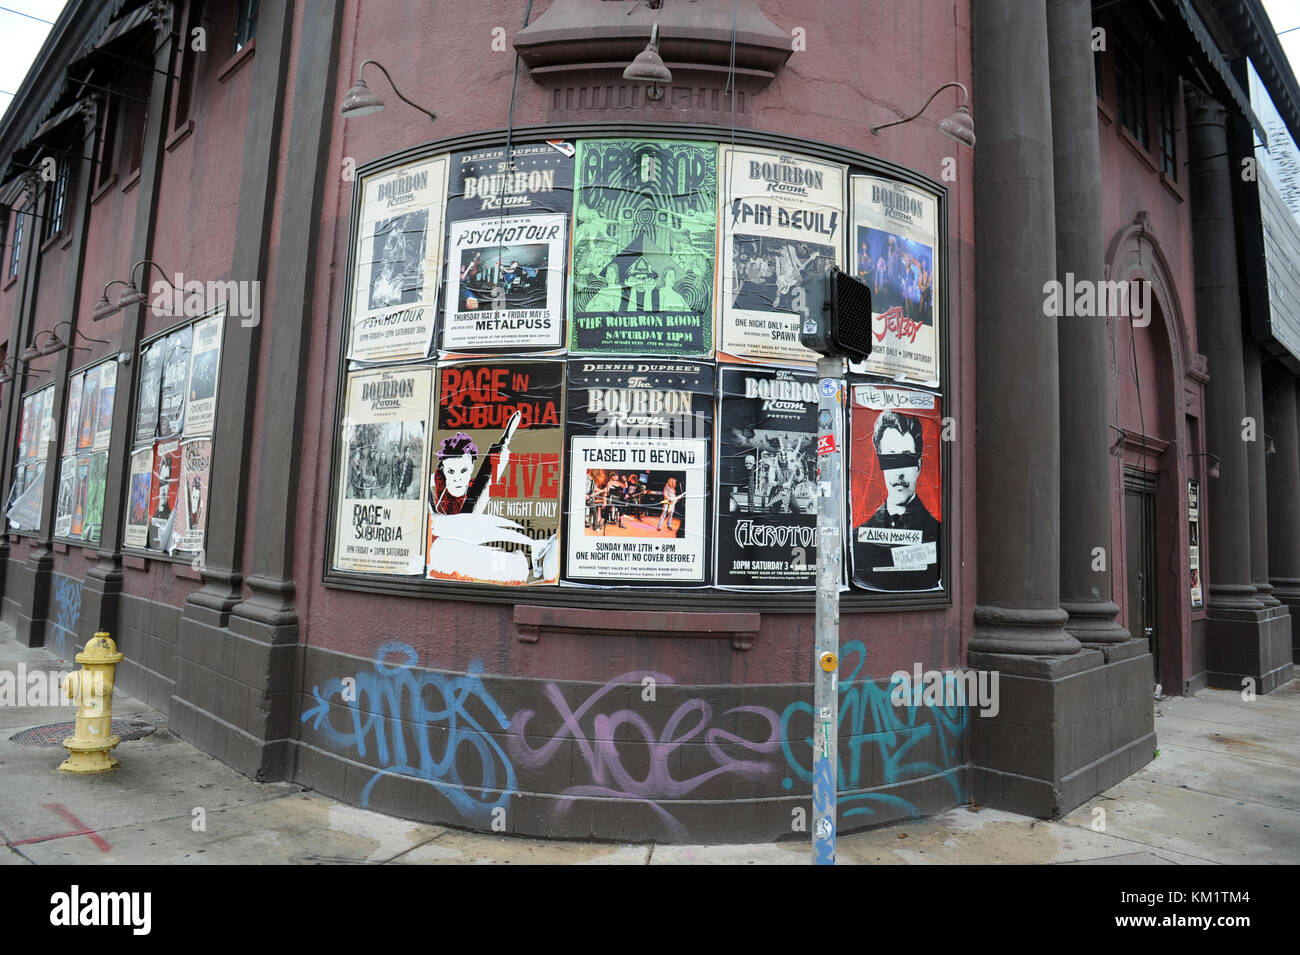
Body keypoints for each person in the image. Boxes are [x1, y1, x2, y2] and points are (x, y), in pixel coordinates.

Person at [852, 411, 940, 591]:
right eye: (891, 459)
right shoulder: (857, 538)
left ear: (918, 466)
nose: (899, 472)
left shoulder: (938, 533)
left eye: (906, 457)